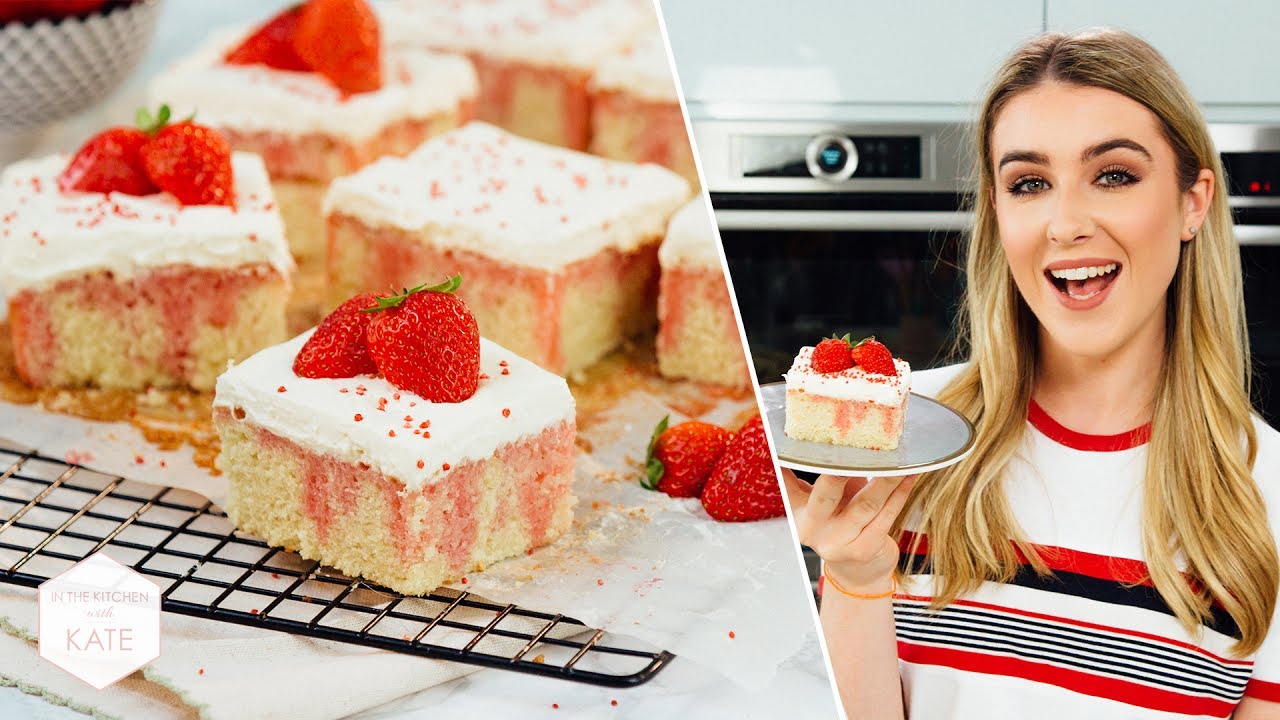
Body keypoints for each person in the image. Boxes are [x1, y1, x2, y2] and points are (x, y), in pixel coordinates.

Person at [781, 29, 1280, 720]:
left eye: (1113, 175)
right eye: (1030, 184)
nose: (1064, 223)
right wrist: (856, 577)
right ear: (998, 210)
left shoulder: (1270, 495)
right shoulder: (901, 440)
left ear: (1193, 201)